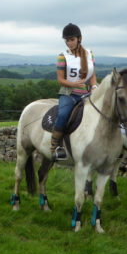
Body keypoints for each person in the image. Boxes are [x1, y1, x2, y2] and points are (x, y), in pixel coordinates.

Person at [51, 23, 97, 161]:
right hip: (68, 93)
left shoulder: (89, 54)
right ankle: (55, 145)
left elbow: (92, 75)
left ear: (79, 39)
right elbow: (60, 79)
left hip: (86, 93)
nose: (69, 43)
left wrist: (94, 87)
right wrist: (73, 84)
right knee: (63, 114)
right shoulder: (62, 56)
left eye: (72, 39)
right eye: (67, 40)